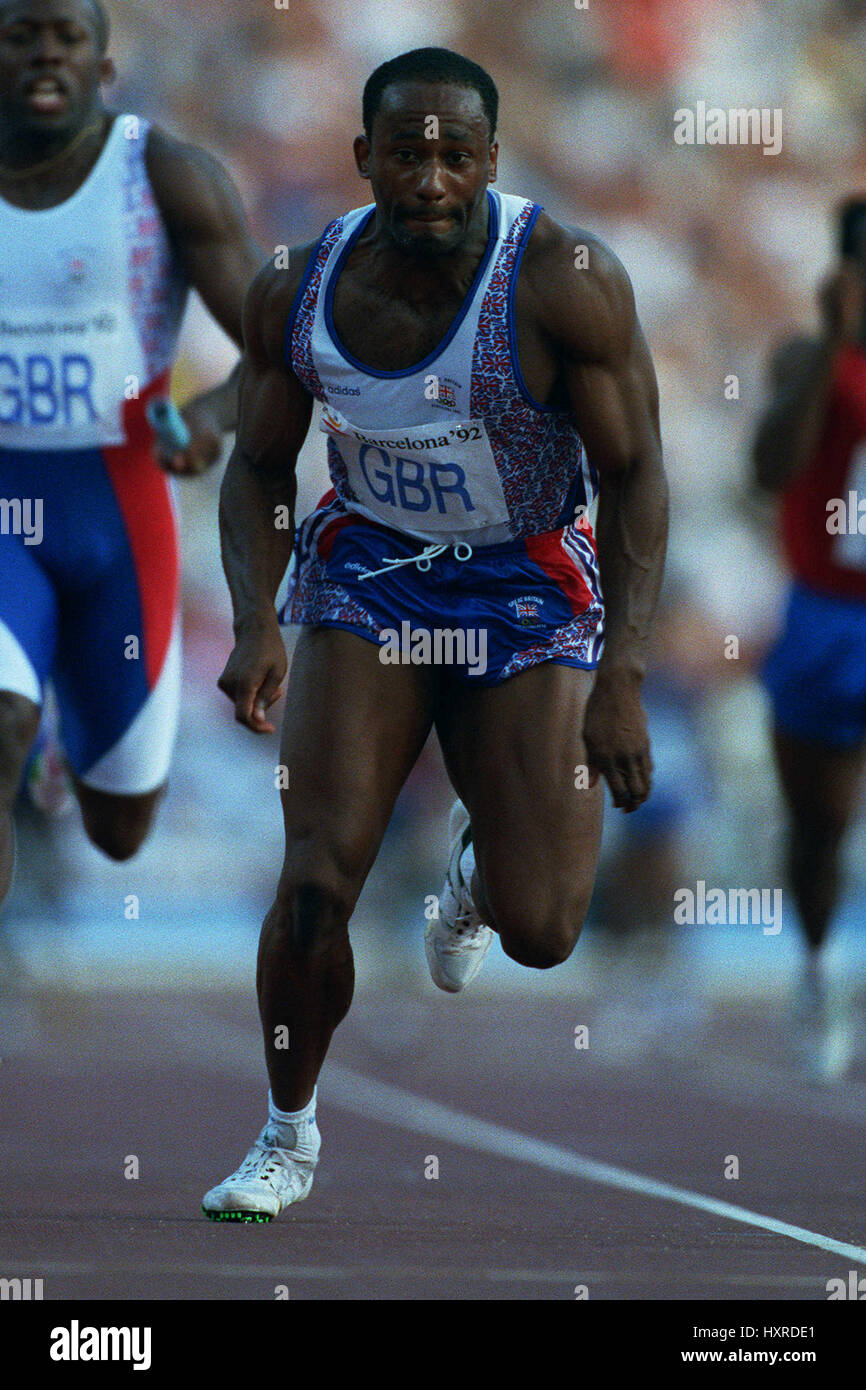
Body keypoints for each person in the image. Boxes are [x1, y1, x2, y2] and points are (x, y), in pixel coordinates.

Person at [203, 47, 667, 1222]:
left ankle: (473, 870)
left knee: (546, 931)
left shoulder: (564, 280)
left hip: (522, 580)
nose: (428, 180)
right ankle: (285, 1132)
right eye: (404, 153)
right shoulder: (297, 287)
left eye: (455, 155)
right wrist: (258, 620)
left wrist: (621, 675)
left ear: (491, 161)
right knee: (314, 877)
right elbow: (257, 460)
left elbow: (635, 475)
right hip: (371, 577)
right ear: (362, 158)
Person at [0, 0, 262, 907]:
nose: (44, 56)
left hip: (121, 514)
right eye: (20, 35)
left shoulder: (165, 177)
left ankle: (61, 738)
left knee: (121, 831)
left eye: (67, 38)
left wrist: (215, 417)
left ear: (103, 67)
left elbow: (284, 349)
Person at [753, 196, 866, 1080]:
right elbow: (771, 466)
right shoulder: (809, 360)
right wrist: (834, 342)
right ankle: (820, 970)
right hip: (828, 614)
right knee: (820, 822)